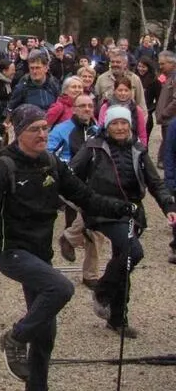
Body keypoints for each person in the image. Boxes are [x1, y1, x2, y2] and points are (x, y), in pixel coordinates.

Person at [0, 105, 136, 388]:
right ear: (19, 133)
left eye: (45, 127)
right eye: (35, 129)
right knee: (61, 287)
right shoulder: (4, 165)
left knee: (46, 333)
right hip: (11, 250)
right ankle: (15, 338)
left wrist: (121, 208)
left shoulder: (52, 163)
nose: (43, 134)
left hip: (40, 251)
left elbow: (85, 196)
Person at [70, 105, 176, 336]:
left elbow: (155, 182)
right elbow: (70, 175)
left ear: (130, 125)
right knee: (132, 252)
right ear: (107, 126)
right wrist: (83, 201)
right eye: (115, 123)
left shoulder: (138, 149)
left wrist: (169, 205)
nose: (119, 128)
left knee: (123, 261)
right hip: (103, 211)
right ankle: (103, 291)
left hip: (131, 212)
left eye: (123, 123)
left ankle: (118, 317)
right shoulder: (94, 147)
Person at [47, 94, 104, 287]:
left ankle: (90, 274)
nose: (87, 109)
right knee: (95, 212)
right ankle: (70, 238)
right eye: (82, 106)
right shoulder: (62, 130)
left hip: (93, 186)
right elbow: (48, 154)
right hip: (68, 184)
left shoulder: (98, 131)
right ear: (74, 108)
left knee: (96, 228)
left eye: (90, 105)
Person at [97, 76, 148, 146]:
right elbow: (101, 128)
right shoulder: (105, 107)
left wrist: (142, 149)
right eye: (120, 90)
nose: (123, 93)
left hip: (131, 146)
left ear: (130, 91)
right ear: (114, 91)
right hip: (109, 145)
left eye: (126, 90)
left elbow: (142, 133)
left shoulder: (137, 110)